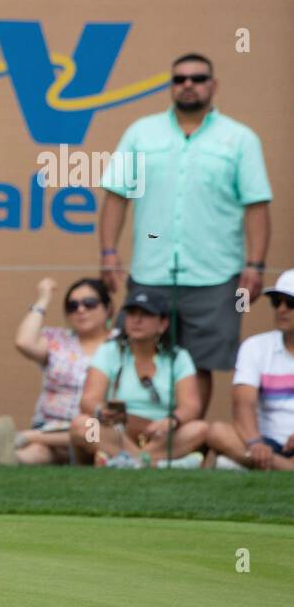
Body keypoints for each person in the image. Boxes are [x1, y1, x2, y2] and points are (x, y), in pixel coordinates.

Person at [100, 52, 271, 418]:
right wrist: (108, 254)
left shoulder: (240, 139)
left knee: (199, 361)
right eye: (180, 79)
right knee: (131, 351)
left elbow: (256, 205)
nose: (188, 85)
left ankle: (184, 445)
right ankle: (129, 446)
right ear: (171, 86)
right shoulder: (140, 133)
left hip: (215, 273)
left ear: (214, 85)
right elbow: (116, 196)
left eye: (197, 78)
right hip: (151, 269)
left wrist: (255, 265)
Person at [69, 290, 208, 468]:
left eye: (146, 314)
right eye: (132, 313)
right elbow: (88, 400)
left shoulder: (178, 357)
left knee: (201, 430)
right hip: (119, 432)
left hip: (161, 434)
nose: (137, 320)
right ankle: (150, 462)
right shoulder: (109, 351)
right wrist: (102, 411)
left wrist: (172, 421)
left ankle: (124, 461)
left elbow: (191, 406)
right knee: (82, 426)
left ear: (163, 323)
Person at [0, 277, 112, 466]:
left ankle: (25, 438)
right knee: (40, 451)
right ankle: (17, 458)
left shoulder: (120, 344)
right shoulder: (57, 339)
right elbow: (23, 342)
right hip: (51, 425)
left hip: (96, 428)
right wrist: (43, 299)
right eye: (72, 306)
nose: (81, 310)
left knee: (86, 430)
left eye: (89, 303)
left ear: (107, 308)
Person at [206, 269, 294, 471]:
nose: (281, 309)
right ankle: (284, 466)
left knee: (225, 460)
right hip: (266, 443)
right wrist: (255, 442)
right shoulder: (255, 346)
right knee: (216, 431)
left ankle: (261, 465)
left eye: (290, 304)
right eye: (276, 302)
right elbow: (243, 404)